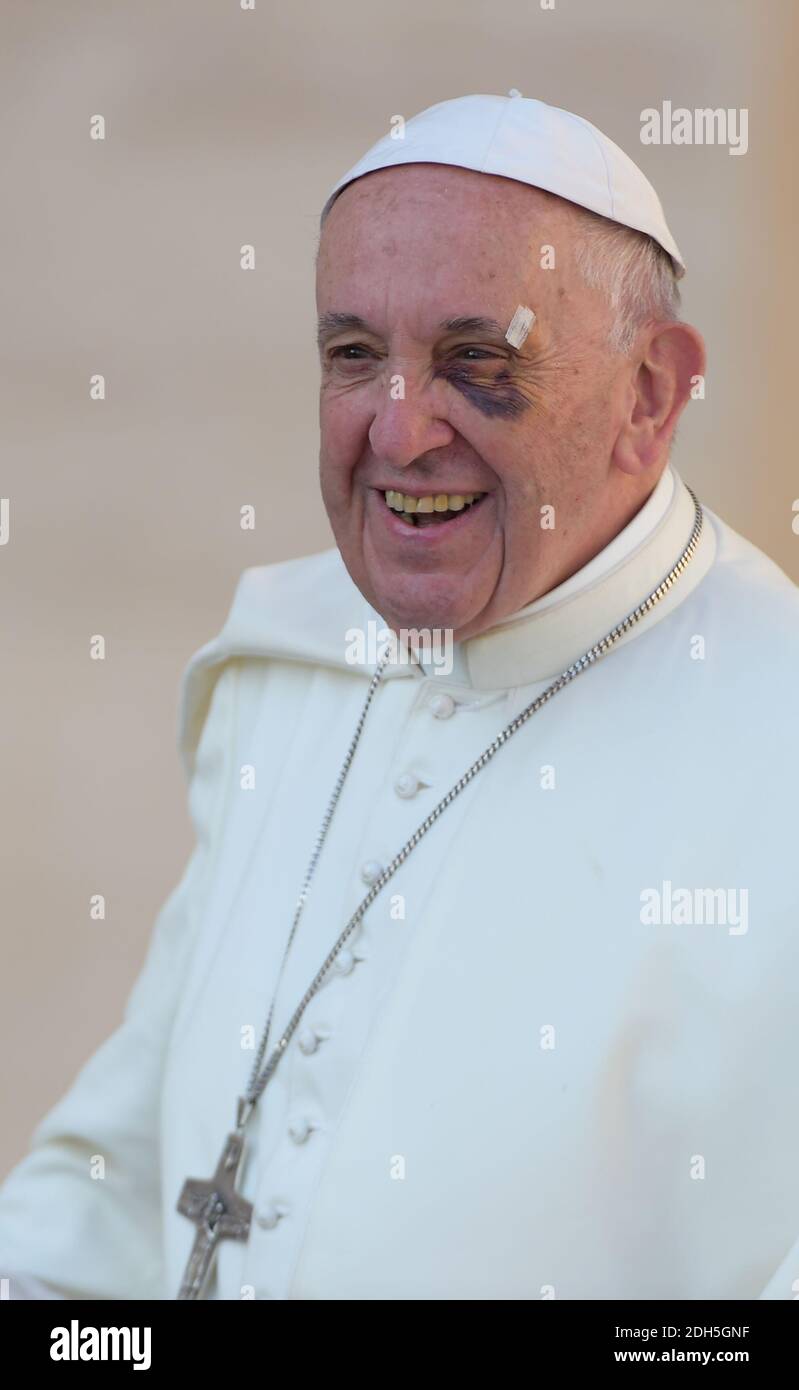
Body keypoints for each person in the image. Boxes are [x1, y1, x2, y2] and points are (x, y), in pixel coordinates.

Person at [1, 92, 798, 1301]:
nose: (399, 427)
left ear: (649, 395)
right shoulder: (287, 665)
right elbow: (125, 1174)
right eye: (353, 355)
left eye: (477, 359)